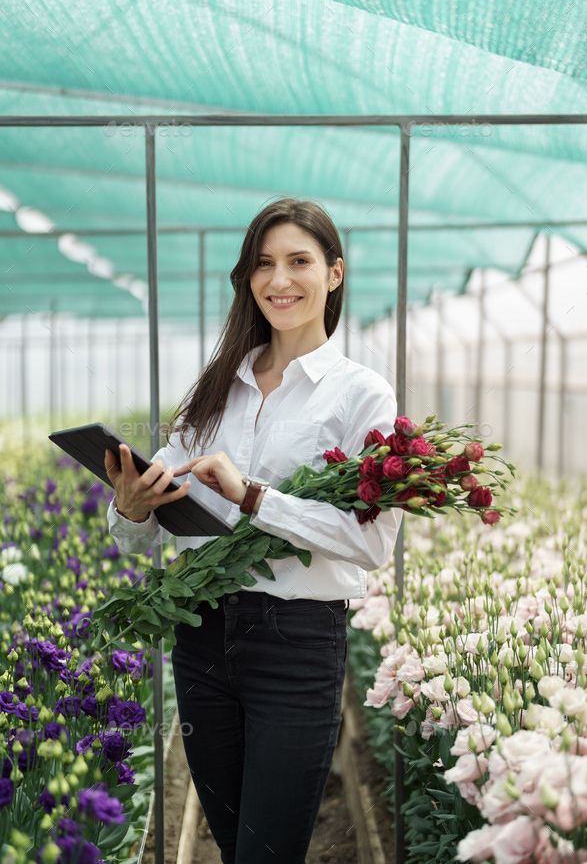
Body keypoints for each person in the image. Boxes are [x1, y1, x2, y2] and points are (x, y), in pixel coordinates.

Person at [104, 196, 403, 864]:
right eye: (263, 264)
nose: (279, 280)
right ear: (247, 278)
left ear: (334, 273)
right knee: (237, 843)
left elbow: (372, 542)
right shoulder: (217, 388)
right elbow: (144, 538)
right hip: (202, 638)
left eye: (299, 261)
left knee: (267, 852)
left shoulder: (362, 395)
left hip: (295, 649)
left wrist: (255, 497)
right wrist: (134, 506)